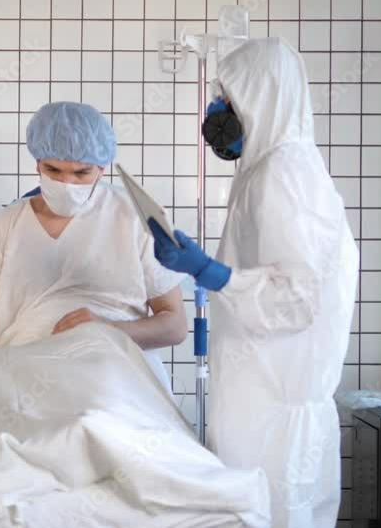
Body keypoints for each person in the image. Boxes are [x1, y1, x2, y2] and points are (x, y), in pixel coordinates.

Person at [147, 38, 358, 528]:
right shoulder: (264, 168)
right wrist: (211, 275)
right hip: (257, 398)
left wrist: (212, 274)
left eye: (227, 95)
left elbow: (301, 297)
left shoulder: (287, 171)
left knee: (275, 515)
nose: (216, 107)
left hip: (276, 415)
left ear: (262, 96)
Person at [0, 101, 188, 395]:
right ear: (36, 163)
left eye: (81, 173)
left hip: (114, 373)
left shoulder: (134, 217)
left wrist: (109, 329)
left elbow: (174, 325)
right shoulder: (5, 226)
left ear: (102, 167)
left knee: (100, 427)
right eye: (53, 169)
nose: (66, 183)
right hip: (22, 373)